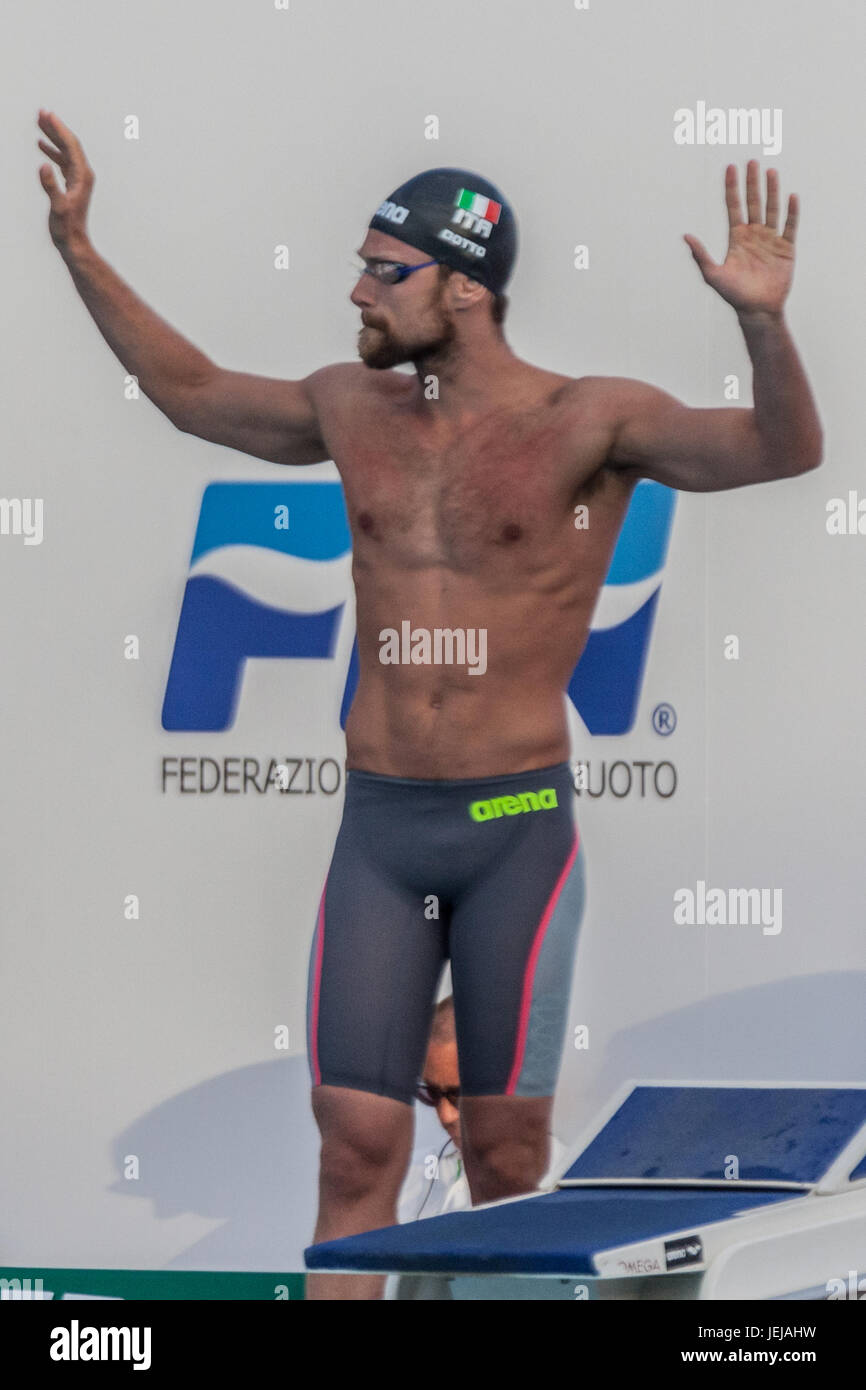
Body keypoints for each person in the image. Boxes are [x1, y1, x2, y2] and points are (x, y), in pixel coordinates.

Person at [38, 111, 823, 1301]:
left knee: (505, 1154)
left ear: (460, 288)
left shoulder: (588, 419)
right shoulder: (351, 412)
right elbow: (189, 392)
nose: (355, 289)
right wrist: (80, 248)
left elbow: (779, 448)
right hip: (380, 830)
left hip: (514, 829)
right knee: (355, 1143)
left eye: (381, 268)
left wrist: (762, 324)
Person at [385, 994, 564, 1299]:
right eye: (431, 1093)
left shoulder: (562, 1178)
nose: (445, 1116)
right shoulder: (403, 1175)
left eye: (458, 1094)